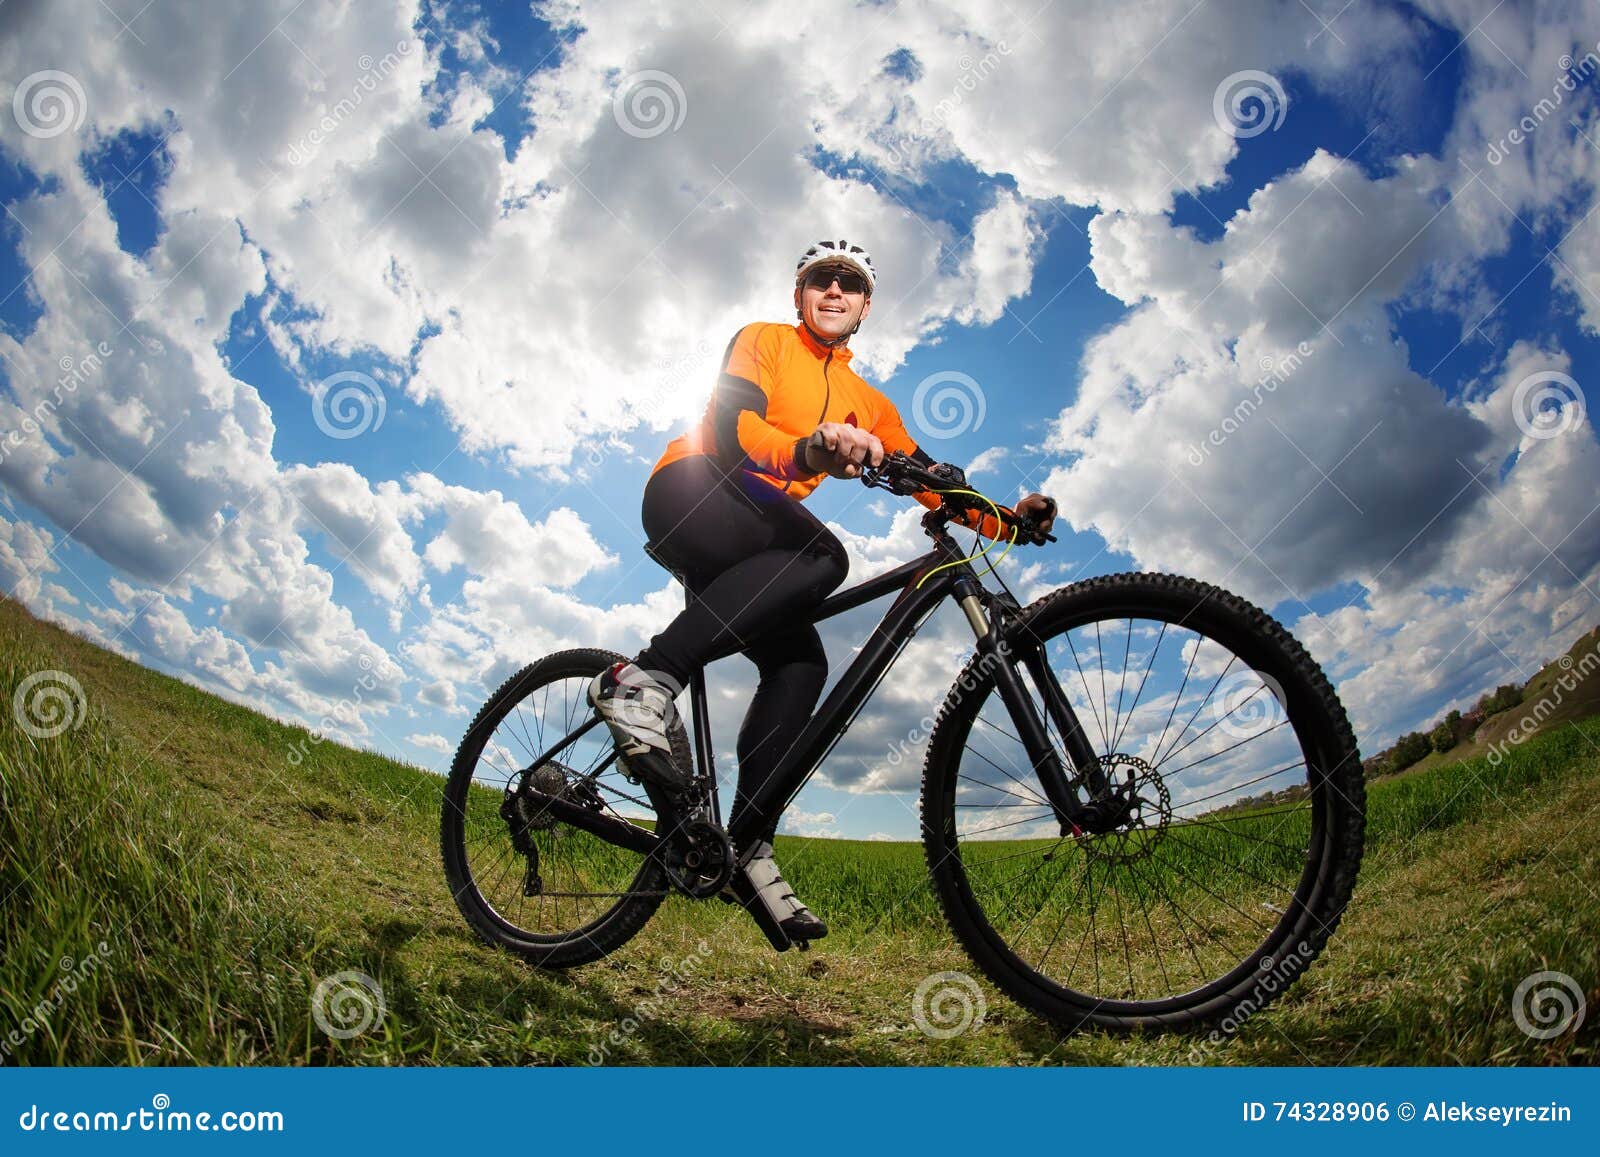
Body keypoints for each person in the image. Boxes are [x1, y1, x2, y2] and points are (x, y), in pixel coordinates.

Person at [590, 239, 1057, 941]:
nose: (834, 290)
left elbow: (935, 481)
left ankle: (746, 846)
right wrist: (808, 449)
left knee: (802, 663)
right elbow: (732, 429)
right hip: (692, 488)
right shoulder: (765, 340)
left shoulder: (871, 403)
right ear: (800, 295)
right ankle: (642, 681)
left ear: (865, 306)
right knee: (822, 556)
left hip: (754, 543)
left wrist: (1009, 522)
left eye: (850, 283)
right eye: (821, 279)